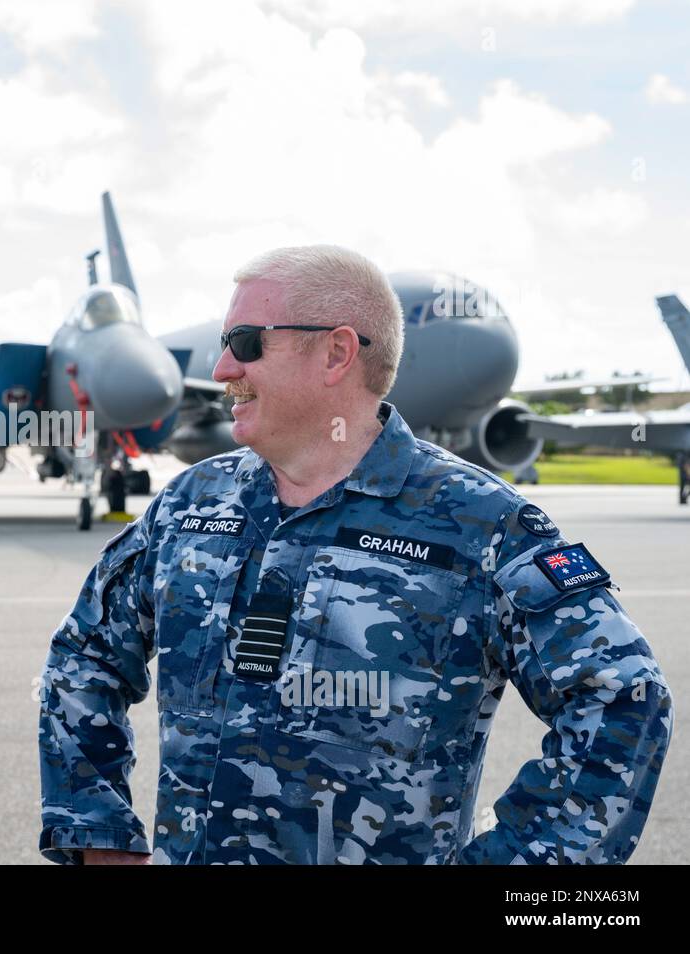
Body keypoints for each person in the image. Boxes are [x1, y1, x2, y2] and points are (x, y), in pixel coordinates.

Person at [38, 245, 673, 865]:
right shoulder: (191, 504)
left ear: (337, 352)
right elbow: (83, 656)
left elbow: (623, 700)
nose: (225, 368)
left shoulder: (484, 525)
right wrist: (99, 833)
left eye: (247, 342)